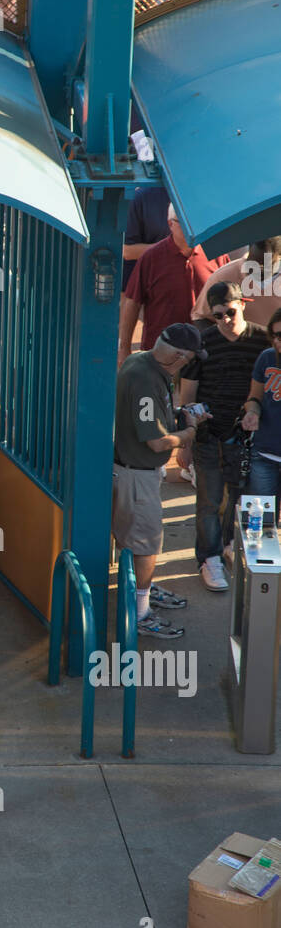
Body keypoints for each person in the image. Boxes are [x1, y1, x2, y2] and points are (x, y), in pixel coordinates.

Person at [113, 324, 209, 639]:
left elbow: (152, 417)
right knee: (146, 544)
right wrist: (190, 432)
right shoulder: (145, 377)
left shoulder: (140, 361)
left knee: (141, 542)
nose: (189, 364)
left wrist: (180, 414)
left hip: (136, 470)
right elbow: (155, 442)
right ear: (179, 355)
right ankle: (140, 613)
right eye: (190, 358)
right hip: (136, 473)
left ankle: (144, 589)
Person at [180, 282, 267, 588]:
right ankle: (209, 558)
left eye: (230, 312)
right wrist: (186, 438)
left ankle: (230, 547)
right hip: (209, 434)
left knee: (241, 498)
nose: (225, 320)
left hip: (248, 436)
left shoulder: (263, 340)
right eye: (218, 316)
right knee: (209, 499)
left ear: (243, 303)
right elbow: (187, 394)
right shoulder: (202, 344)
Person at [119, 205, 229, 364]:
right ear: (170, 224)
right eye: (185, 224)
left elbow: (230, 297)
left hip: (205, 352)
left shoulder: (216, 253)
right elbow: (133, 303)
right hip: (161, 353)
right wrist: (124, 349)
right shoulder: (151, 258)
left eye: (196, 222)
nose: (193, 229)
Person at [242, 306, 281, 516]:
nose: (276, 341)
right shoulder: (267, 358)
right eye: (274, 335)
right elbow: (254, 398)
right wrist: (252, 412)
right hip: (265, 454)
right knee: (263, 524)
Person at [192, 237, 281, 330]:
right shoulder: (223, 276)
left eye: (264, 267)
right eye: (252, 264)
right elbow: (201, 317)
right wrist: (220, 340)